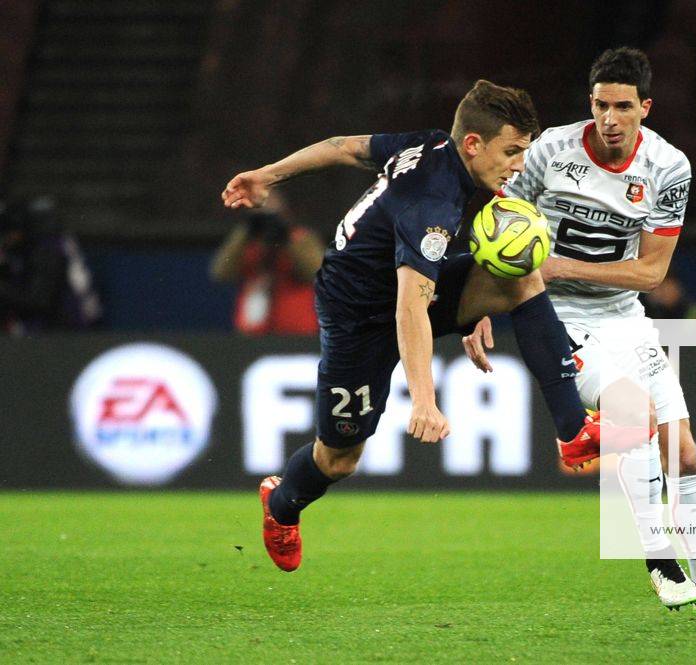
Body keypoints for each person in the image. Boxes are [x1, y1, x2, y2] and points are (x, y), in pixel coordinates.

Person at [221, 80, 600, 572]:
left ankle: (573, 429)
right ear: (473, 144)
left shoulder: (432, 145)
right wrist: (424, 401)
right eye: (511, 151)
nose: (518, 164)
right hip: (357, 317)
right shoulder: (432, 205)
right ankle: (281, 505)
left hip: (401, 290)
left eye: (523, 152)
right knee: (339, 458)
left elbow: (343, 147)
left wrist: (267, 175)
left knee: (521, 273)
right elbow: (409, 308)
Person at [462, 48, 696, 620]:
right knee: (631, 415)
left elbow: (652, 272)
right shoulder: (548, 153)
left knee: (684, 453)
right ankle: (660, 560)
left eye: (623, 107)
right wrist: (479, 304)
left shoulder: (669, 167)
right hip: (550, 314)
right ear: (590, 103)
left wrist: (561, 264)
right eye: (601, 105)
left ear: (645, 108)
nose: (610, 118)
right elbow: (498, 228)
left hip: (625, 315)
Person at [210, 192, 324, 335]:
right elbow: (220, 273)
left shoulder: (299, 237)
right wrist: (245, 232)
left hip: (296, 329)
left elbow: (317, 274)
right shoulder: (246, 241)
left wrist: (286, 235)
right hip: (253, 328)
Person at [0, 195, 101, 335]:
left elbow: (39, 300)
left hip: (69, 329)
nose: (6, 239)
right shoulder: (34, 246)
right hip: (60, 326)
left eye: (8, 233)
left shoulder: (47, 247)